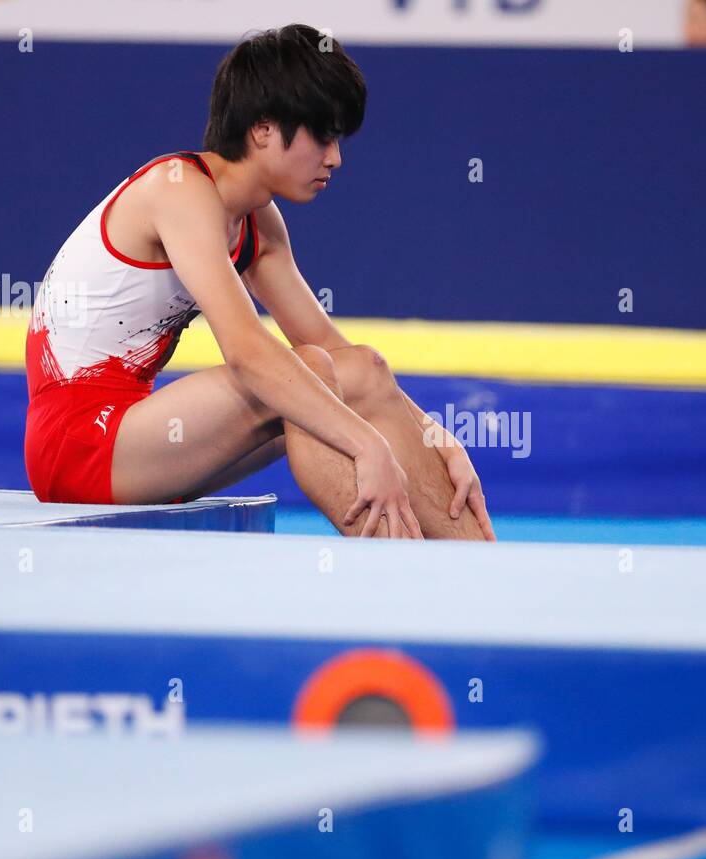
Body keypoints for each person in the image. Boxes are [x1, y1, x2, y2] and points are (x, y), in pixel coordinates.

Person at [24, 25, 494, 541]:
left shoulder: (257, 222)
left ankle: (482, 580)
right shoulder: (176, 190)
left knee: (361, 367)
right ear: (264, 130)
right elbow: (249, 353)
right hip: (78, 447)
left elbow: (345, 359)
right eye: (323, 136)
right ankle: (401, 584)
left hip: (148, 445)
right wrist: (367, 444)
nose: (335, 158)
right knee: (310, 373)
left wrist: (432, 434)